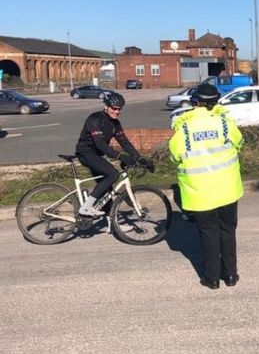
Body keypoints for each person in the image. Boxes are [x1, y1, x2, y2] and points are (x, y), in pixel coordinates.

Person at [168, 84, 244, 290]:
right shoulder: (225, 123)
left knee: (208, 234)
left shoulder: (183, 127)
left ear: (195, 102)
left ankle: (211, 279)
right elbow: (239, 143)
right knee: (228, 232)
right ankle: (230, 275)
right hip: (227, 189)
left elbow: (175, 154)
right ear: (216, 101)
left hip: (200, 193)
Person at [75, 92, 151, 216]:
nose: (117, 112)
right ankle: (86, 208)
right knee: (113, 174)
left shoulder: (115, 124)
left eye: (119, 109)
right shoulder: (94, 119)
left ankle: (112, 225)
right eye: (114, 108)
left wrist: (139, 158)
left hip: (97, 155)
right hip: (85, 152)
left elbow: (124, 142)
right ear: (106, 106)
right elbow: (100, 144)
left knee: (107, 189)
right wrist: (120, 156)